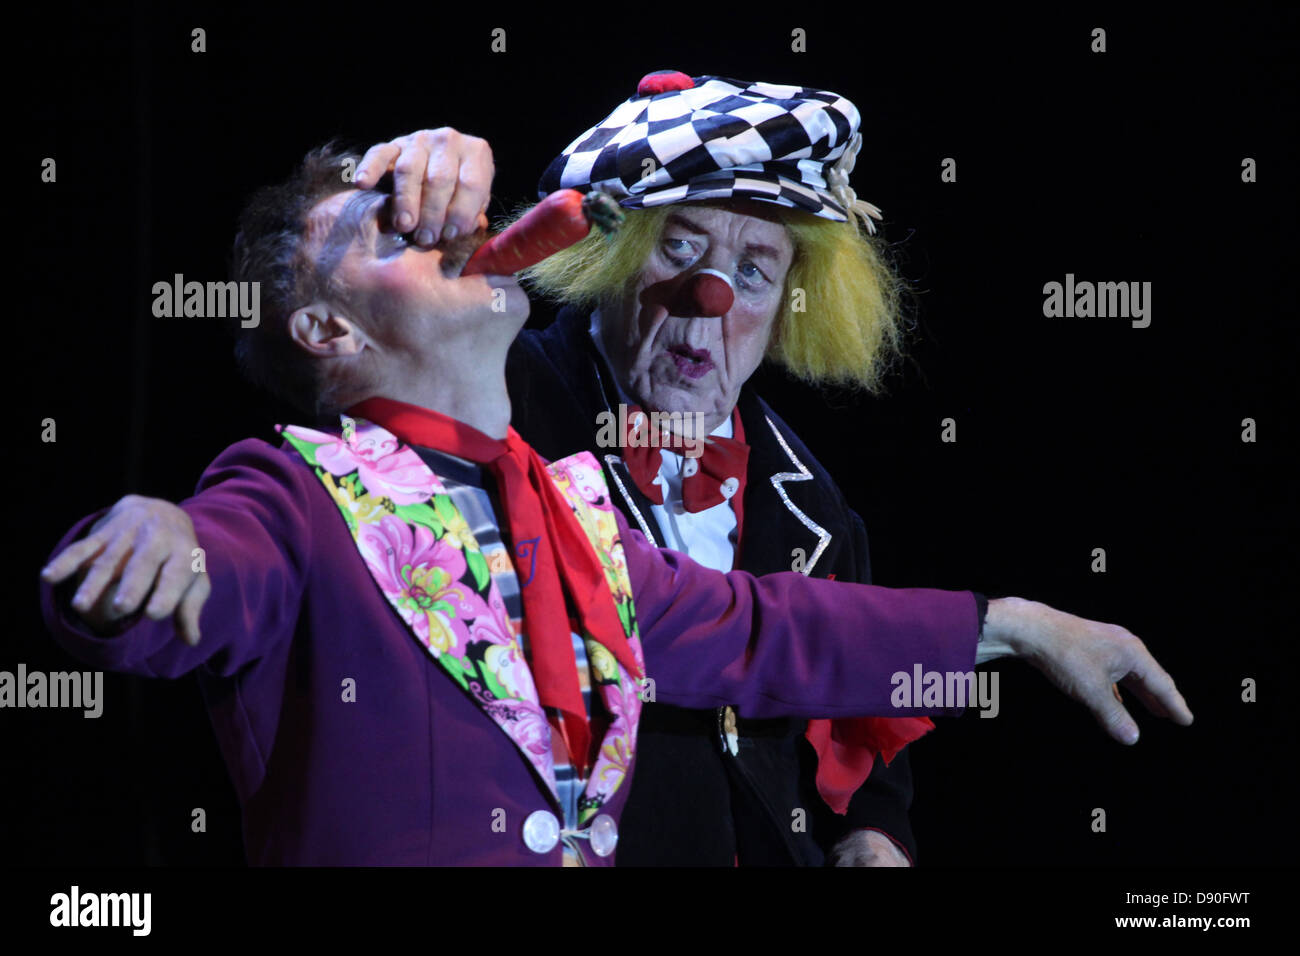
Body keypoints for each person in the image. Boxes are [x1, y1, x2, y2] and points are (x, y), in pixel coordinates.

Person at [39, 142, 1192, 867]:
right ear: (328, 331)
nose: (451, 232)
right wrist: (155, 533)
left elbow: (773, 627)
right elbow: (198, 580)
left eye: (754, 267)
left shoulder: (577, 524)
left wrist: (1020, 623)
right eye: (399, 233)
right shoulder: (292, 490)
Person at [361, 71, 941, 866]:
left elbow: (862, 710)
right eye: (679, 246)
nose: (708, 297)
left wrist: (874, 836)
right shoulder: (498, 400)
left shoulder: (812, 501)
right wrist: (409, 203)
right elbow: (372, 377)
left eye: (754, 272)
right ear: (612, 253)